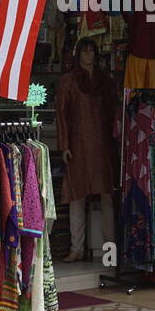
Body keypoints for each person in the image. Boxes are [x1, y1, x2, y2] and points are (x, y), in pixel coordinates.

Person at [56, 38, 116, 261]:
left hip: (102, 145)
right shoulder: (68, 81)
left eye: (92, 51)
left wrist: (115, 143)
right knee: (76, 196)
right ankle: (76, 248)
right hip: (79, 145)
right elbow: (61, 115)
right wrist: (65, 145)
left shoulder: (105, 81)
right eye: (85, 51)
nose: (88, 55)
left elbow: (113, 114)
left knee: (107, 196)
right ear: (78, 53)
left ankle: (110, 247)